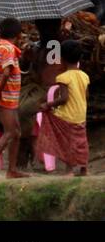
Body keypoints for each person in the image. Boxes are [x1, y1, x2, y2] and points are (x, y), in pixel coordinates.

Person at [0, 17, 29, 180]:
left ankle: (12, 170)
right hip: (7, 97)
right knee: (9, 133)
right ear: (18, 34)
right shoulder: (8, 49)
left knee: (16, 132)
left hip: (8, 97)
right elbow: (7, 72)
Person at [36, 39, 89, 175]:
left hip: (67, 116)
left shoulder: (63, 77)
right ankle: (84, 168)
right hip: (81, 114)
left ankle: (69, 170)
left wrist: (48, 104)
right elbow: (86, 95)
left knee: (67, 143)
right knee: (81, 142)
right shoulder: (84, 76)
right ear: (80, 57)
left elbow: (64, 98)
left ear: (62, 58)